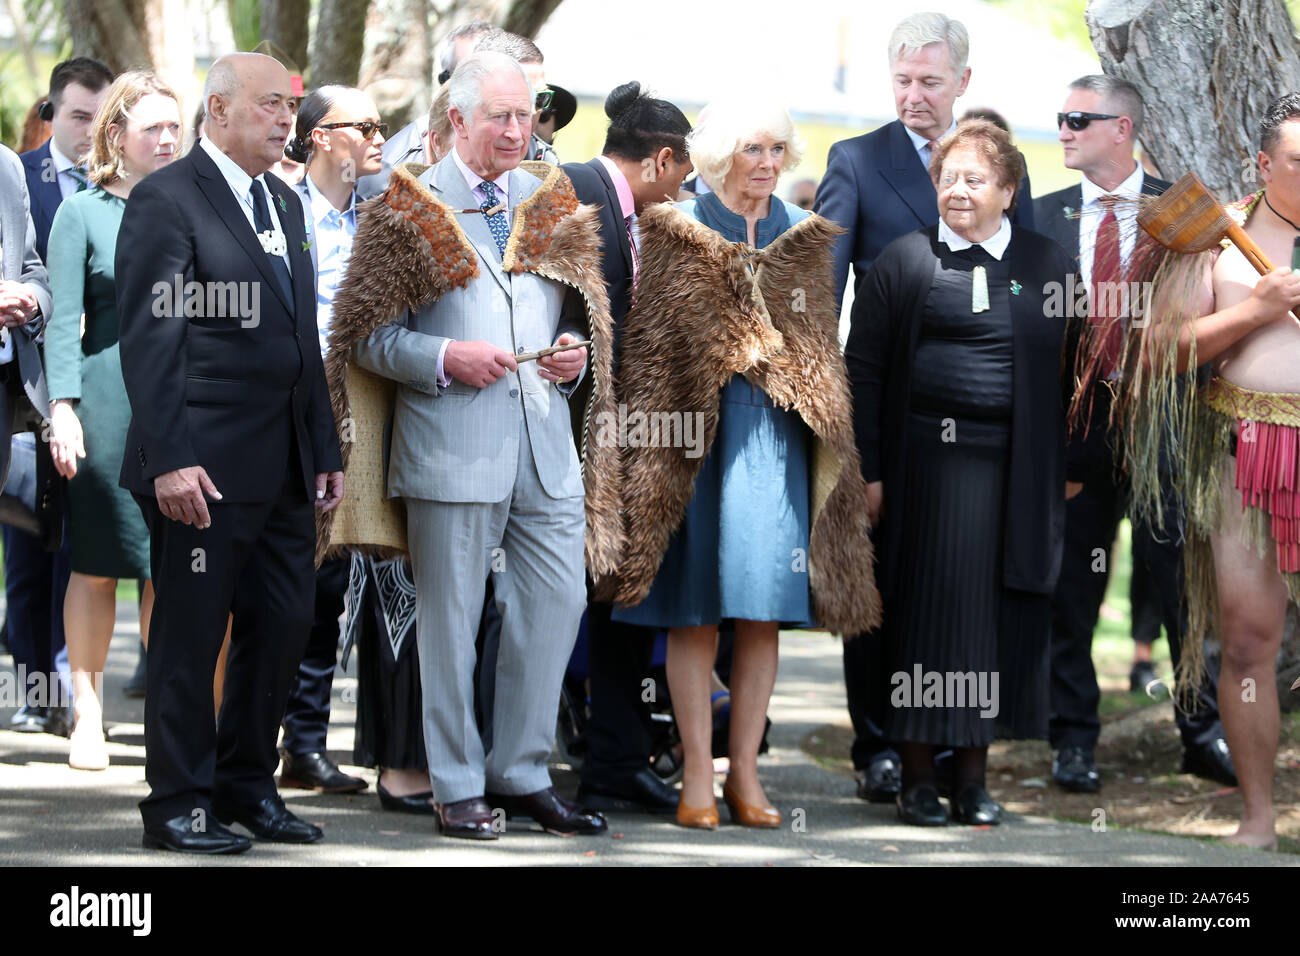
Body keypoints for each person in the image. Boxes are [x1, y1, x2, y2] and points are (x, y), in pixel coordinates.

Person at [325, 51, 617, 840]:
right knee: (450, 624)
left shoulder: (550, 198)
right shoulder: (404, 205)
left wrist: (572, 347)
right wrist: (444, 357)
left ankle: (521, 773)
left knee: (557, 602)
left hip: (545, 445)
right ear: (457, 120)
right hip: (449, 447)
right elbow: (364, 338)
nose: (518, 131)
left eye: (525, 115)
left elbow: (576, 309)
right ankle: (454, 785)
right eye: (500, 117)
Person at [609, 99, 879, 829]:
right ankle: (698, 774)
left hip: (776, 441)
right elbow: (650, 347)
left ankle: (746, 775)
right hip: (691, 440)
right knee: (693, 613)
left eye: (777, 149)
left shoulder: (803, 233)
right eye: (754, 148)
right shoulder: (675, 227)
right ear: (723, 153)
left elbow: (819, 346)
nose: (767, 163)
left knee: (763, 613)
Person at [115, 52, 343, 854]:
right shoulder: (166, 199)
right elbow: (151, 342)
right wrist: (170, 458)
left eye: (290, 105)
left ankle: (247, 786)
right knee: (191, 636)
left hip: (284, 466)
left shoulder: (283, 198)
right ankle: (178, 803)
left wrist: (323, 444)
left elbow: (302, 337)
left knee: (283, 626)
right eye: (270, 104)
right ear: (217, 110)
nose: (288, 119)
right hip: (201, 469)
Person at [815, 12, 1033, 804]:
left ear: (962, 82)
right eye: (903, 81)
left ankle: (953, 752)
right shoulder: (856, 160)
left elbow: (1022, 287)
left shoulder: (997, 163)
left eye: (930, 82)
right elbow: (823, 294)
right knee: (883, 586)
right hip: (889, 406)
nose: (914, 95)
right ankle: (878, 745)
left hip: (980, 422)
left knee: (963, 594)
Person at [846, 120, 1083, 826]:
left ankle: (973, 780)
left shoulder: (1048, 263)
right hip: (920, 473)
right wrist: (870, 472)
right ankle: (918, 777)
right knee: (922, 620)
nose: (957, 190)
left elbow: (1082, 369)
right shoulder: (904, 260)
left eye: (975, 180)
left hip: (1015, 472)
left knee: (989, 625)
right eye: (948, 178)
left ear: (1008, 191)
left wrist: (1073, 463)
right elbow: (863, 371)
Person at [1034, 74, 1235, 794]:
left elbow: (1216, 313)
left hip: (1166, 427)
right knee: (1073, 592)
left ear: (1122, 128)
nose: (1064, 129)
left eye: (1078, 119)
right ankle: (1072, 740)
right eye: (1061, 118)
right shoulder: (1041, 216)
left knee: (1181, 587)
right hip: (1076, 430)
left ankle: (1201, 734)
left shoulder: (1182, 213)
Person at [1139, 92, 1300, 850]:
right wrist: (1257, 308)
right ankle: (1258, 817)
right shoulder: (1216, 237)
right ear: (1264, 164)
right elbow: (1161, 349)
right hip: (1246, 454)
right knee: (1246, 641)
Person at [560, 82, 693, 816]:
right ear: (661, 160)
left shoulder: (642, 214)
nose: (684, 188)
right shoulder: (573, 190)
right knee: (549, 604)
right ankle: (507, 763)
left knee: (619, 603)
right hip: (564, 440)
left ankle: (615, 759)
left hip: (622, 447)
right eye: (683, 172)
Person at [44, 71, 181, 772]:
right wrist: (62, 408)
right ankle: (88, 715)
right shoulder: (82, 212)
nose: (167, 138)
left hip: (181, 410)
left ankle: (167, 720)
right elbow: (62, 320)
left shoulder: (193, 207)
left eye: (175, 126)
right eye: (152, 127)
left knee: (166, 570)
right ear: (116, 135)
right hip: (104, 405)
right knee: (98, 566)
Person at [269, 86, 389, 795]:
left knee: (329, 585)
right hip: (281, 416)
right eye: (364, 126)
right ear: (319, 136)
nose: (378, 138)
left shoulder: (379, 221)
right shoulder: (278, 212)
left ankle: (306, 743)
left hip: (357, 418)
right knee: (276, 582)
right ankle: (246, 735)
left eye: (381, 125)